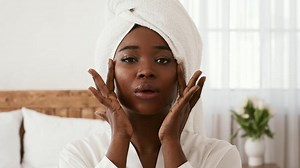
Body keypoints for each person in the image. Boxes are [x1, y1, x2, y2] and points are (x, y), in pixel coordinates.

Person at [59, 0, 242, 167]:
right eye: (130, 59)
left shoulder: (218, 156)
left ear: (183, 74)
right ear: (110, 72)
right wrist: (120, 138)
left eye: (162, 60)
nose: (146, 71)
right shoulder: (80, 155)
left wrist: (171, 141)